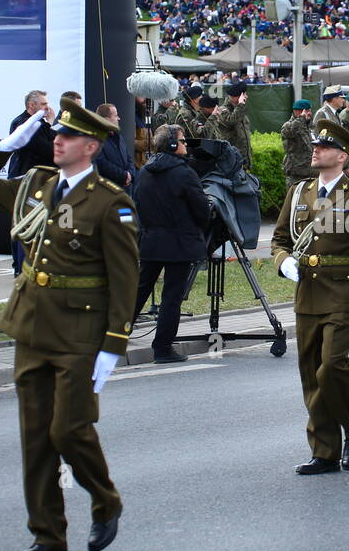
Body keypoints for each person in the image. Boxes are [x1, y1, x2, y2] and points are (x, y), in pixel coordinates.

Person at [0, 103, 136, 551]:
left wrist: (113, 346)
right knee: (35, 435)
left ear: (91, 147)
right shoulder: (35, 185)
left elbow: (125, 278)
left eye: (68, 137)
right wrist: (2, 150)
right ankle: (48, 534)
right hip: (31, 326)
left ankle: (105, 500)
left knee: (69, 429)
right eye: (55, 135)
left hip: (80, 334)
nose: (56, 141)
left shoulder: (109, 201)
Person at [270, 119, 349, 475]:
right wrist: (284, 264)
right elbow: (279, 239)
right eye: (315, 145)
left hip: (344, 292)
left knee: (332, 365)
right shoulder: (299, 192)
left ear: (342, 157)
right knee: (311, 373)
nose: (315, 150)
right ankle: (324, 450)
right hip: (307, 292)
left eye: (323, 147)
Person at [133, 124, 211, 364]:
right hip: (179, 244)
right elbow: (201, 210)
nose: (186, 145)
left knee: (138, 292)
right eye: (183, 141)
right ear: (173, 145)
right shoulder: (184, 173)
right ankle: (163, 349)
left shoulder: (145, 171)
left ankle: (115, 335)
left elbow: (138, 203)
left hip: (150, 242)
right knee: (171, 298)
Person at [6, 90, 56, 275]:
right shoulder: (22, 123)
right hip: (23, 180)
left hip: (38, 181)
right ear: (31, 106)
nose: (47, 108)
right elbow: (44, 148)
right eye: (43, 104)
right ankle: (20, 268)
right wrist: (49, 124)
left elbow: (52, 145)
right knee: (23, 225)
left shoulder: (39, 125)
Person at [94, 103, 135, 190]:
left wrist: (130, 174)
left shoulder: (118, 136)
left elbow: (128, 158)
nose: (118, 118)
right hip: (108, 191)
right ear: (106, 119)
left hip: (125, 189)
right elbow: (102, 164)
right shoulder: (96, 139)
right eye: (116, 116)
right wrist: (123, 176)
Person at [215, 81, 253, 170]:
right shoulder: (222, 110)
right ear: (237, 97)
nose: (246, 97)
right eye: (244, 95)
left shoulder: (239, 110)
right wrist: (240, 105)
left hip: (243, 161)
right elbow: (231, 121)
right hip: (231, 162)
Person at [280, 99, 316, 191]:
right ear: (298, 111)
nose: (309, 113)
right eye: (307, 111)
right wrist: (301, 119)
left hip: (311, 173)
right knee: (294, 202)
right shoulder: (288, 125)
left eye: (309, 111)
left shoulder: (308, 127)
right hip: (296, 175)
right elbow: (291, 131)